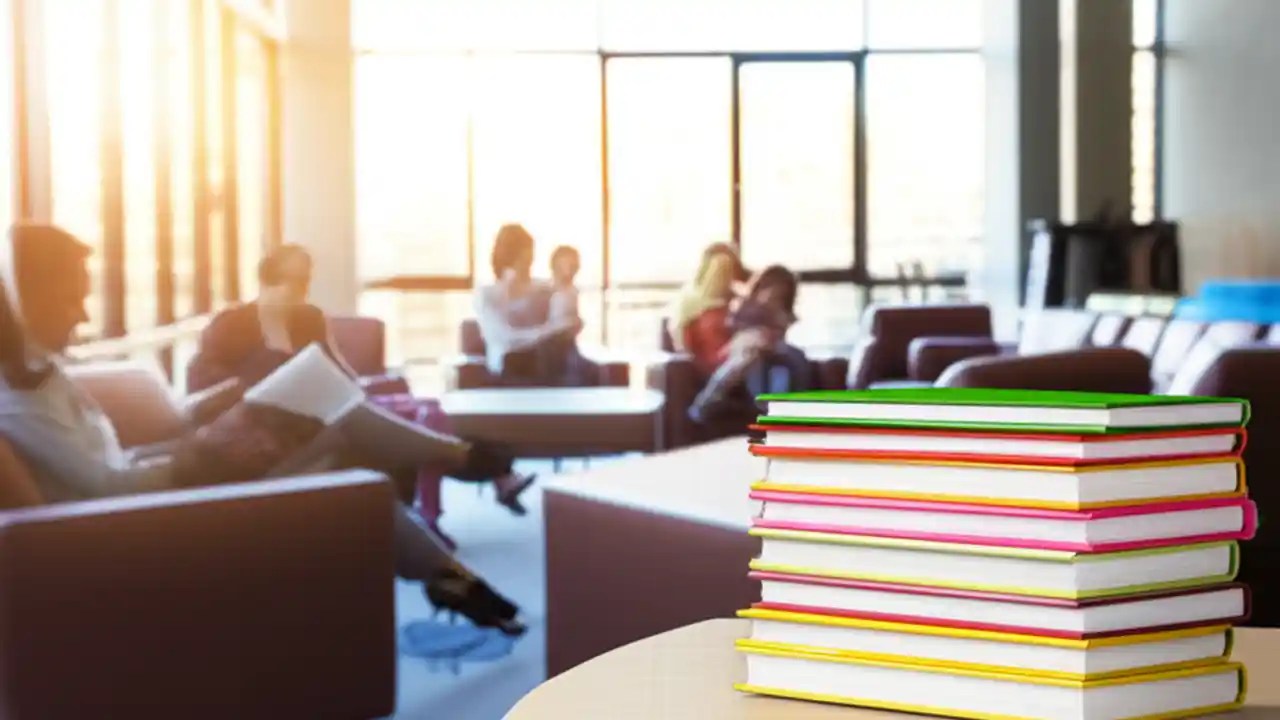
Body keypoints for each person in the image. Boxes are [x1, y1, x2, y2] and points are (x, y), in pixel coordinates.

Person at [0, 223, 525, 635]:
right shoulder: (15, 402)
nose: (83, 313)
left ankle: (453, 568)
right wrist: (193, 451)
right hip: (154, 515)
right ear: (21, 302)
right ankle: (464, 462)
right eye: (71, 297)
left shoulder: (37, 380)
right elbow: (107, 490)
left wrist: (214, 410)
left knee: (339, 446)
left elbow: (113, 462)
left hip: (160, 487)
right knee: (328, 417)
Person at [189, 245, 536, 546]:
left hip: (331, 407)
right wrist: (275, 339)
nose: (301, 290)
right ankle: (478, 463)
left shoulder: (308, 317)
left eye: (306, 280)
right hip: (285, 424)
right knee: (372, 426)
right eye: (293, 281)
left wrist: (344, 376)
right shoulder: (230, 324)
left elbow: (337, 373)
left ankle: (443, 496)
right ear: (267, 280)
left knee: (426, 408)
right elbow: (209, 387)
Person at [688, 264, 812, 421]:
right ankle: (707, 400)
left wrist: (772, 331)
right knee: (749, 356)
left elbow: (781, 334)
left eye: (781, 294)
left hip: (773, 352)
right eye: (771, 288)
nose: (773, 295)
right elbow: (735, 329)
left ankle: (781, 410)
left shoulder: (783, 313)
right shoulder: (743, 306)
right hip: (744, 348)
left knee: (792, 358)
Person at [473, 224, 583, 385]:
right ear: (508, 261)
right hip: (508, 362)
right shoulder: (487, 294)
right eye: (523, 262)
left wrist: (569, 323)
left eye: (531, 261)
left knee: (566, 355)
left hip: (544, 358)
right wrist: (551, 330)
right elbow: (507, 341)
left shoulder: (541, 289)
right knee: (535, 356)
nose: (528, 268)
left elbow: (567, 297)